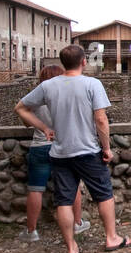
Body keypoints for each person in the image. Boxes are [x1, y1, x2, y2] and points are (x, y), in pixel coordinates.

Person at [15, 45, 131, 253]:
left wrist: (43, 128)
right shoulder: (92, 84)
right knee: (104, 194)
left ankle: (71, 248)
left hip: (60, 153)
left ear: (62, 63)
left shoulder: (48, 86)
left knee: (64, 200)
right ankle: (111, 237)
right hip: (87, 150)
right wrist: (106, 147)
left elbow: (20, 108)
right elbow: (100, 119)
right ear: (83, 62)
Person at [18, 64, 90, 243]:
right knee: (72, 186)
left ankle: (31, 231)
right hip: (64, 146)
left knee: (35, 188)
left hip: (40, 145)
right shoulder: (66, 95)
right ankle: (77, 223)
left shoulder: (37, 97)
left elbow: (27, 122)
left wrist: (41, 125)